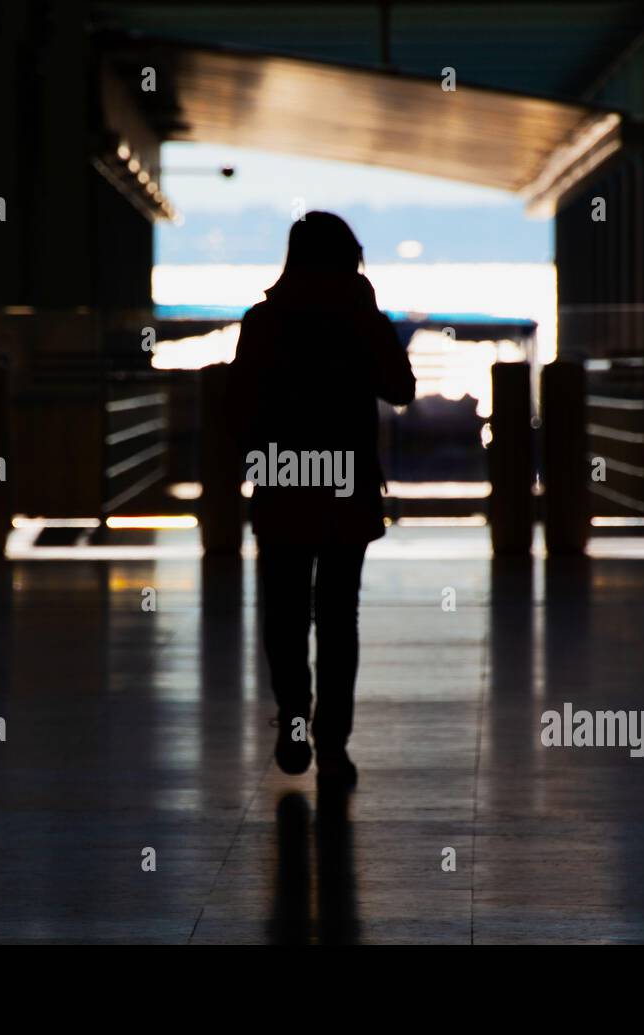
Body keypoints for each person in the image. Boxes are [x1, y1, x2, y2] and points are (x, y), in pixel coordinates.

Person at [227, 212, 416, 790]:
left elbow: (240, 405)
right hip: (346, 487)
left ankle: (293, 722)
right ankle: (333, 744)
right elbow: (401, 389)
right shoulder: (358, 318)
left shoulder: (263, 320)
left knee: (284, 612)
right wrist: (368, 316)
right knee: (338, 616)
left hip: (282, 483)